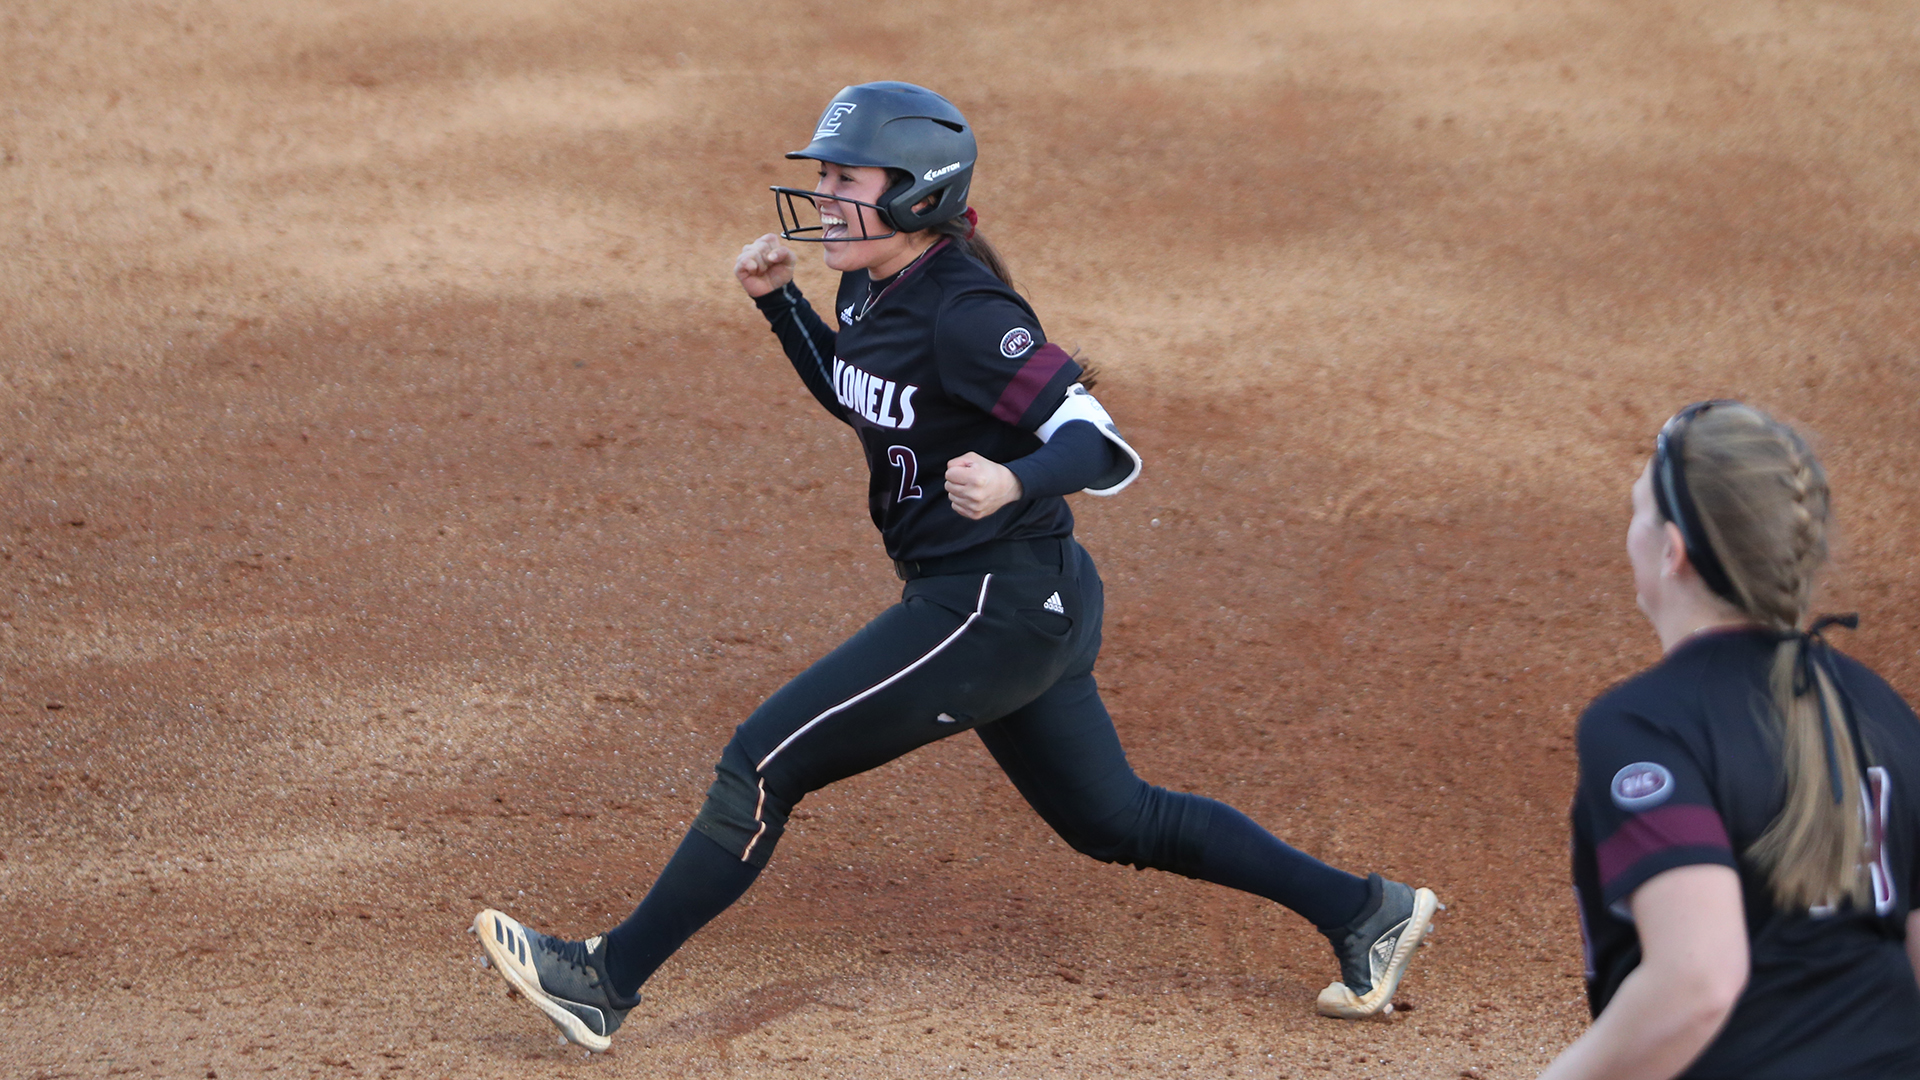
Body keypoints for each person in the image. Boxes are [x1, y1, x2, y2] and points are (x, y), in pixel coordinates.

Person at [469, 81, 1439, 1053]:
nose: (823, 197)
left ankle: (604, 982)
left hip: (993, 603)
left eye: (845, 178)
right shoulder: (869, 281)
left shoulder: (969, 312)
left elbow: (1101, 444)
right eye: (823, 177)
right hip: (1021, 601)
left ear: (916, 192)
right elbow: (860, 389)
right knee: (1116, 821)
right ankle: (1367, 911)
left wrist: (1017, 480)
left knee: (762, 763)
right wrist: (779, 307)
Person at [1542, 400, 1920, 1079]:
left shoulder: (1645, 725)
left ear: (1672, 551)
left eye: (1639, 512)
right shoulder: (1882, 711)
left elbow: (1696, 984)